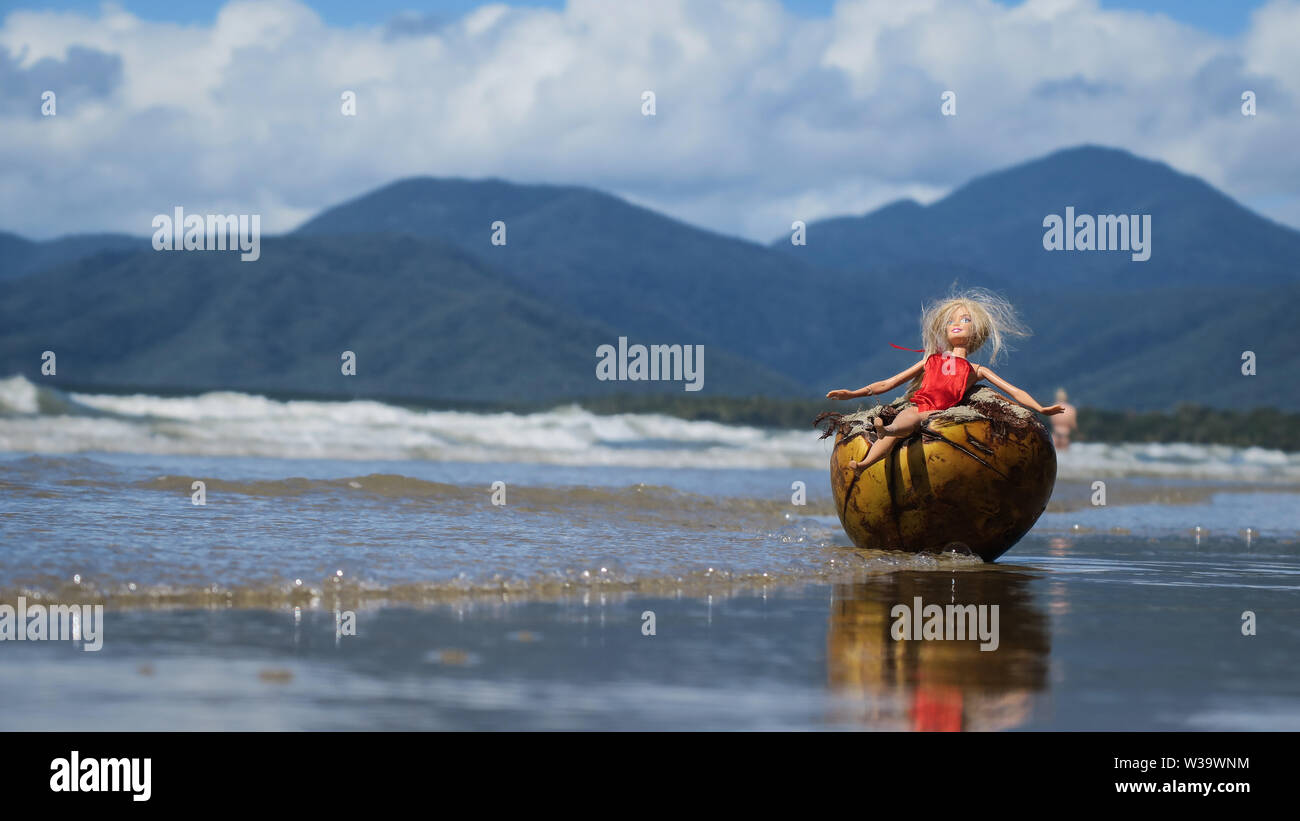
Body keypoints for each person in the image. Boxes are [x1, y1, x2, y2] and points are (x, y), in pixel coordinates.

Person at [825, 288, 1064, 473]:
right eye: (951, 321)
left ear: (978, 330)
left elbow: (1014, 391)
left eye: (965, 320)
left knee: (914, 418)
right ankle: (866, 462)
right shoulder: (931, 359)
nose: (956, 325)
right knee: (907, 416)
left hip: (941, 412)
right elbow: (890, 383)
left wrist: (1041, 408)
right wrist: (853, 394)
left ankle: (888, 431)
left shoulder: (976, 369)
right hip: (920, 405)